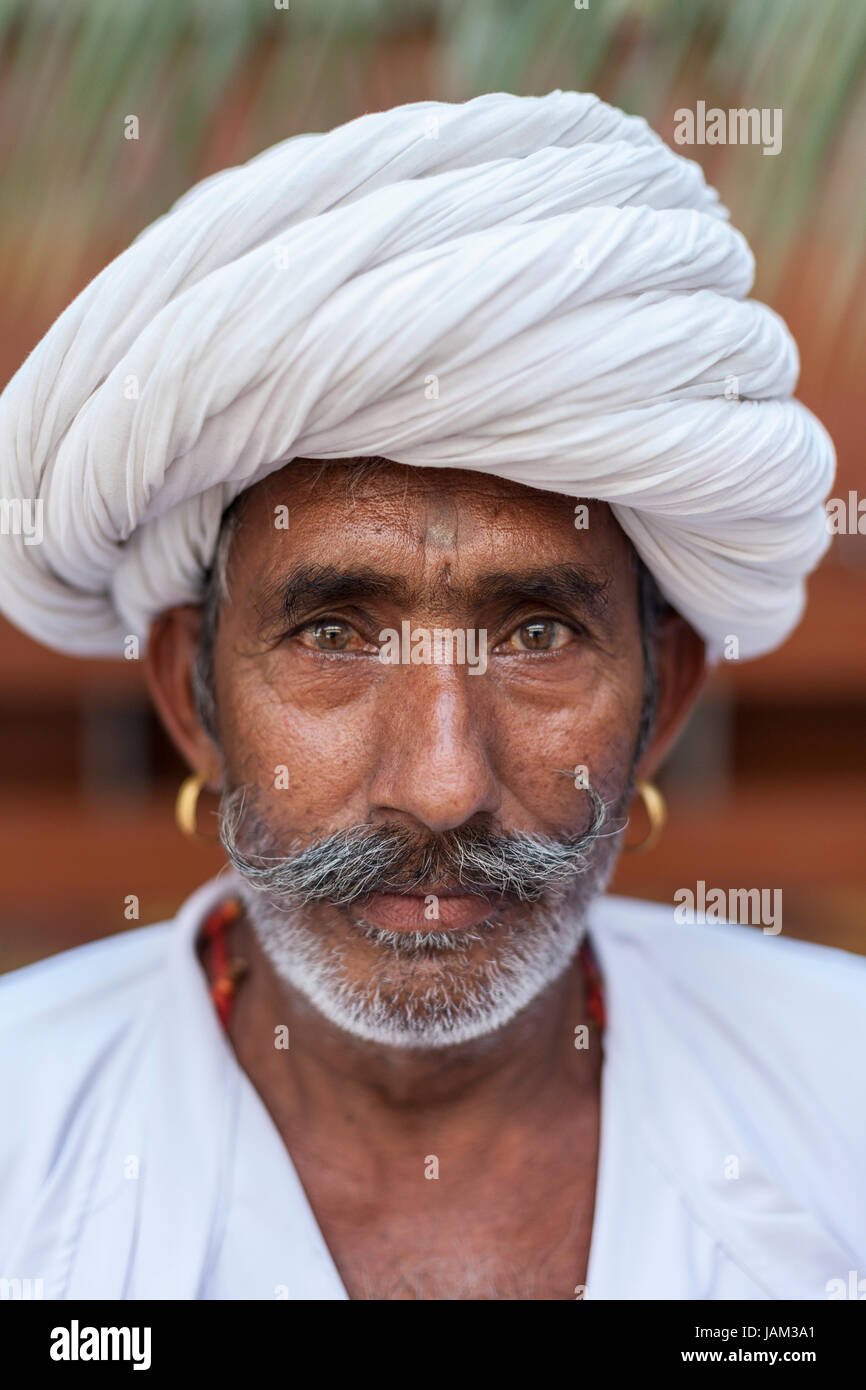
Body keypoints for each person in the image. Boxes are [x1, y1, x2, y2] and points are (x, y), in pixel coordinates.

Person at [0, 90, 862, 1302]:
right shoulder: (21, 1149)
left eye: (538, 632)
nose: (442, 784)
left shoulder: (843, 1101)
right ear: (190, 699)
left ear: (662, 698)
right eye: (334, 634)